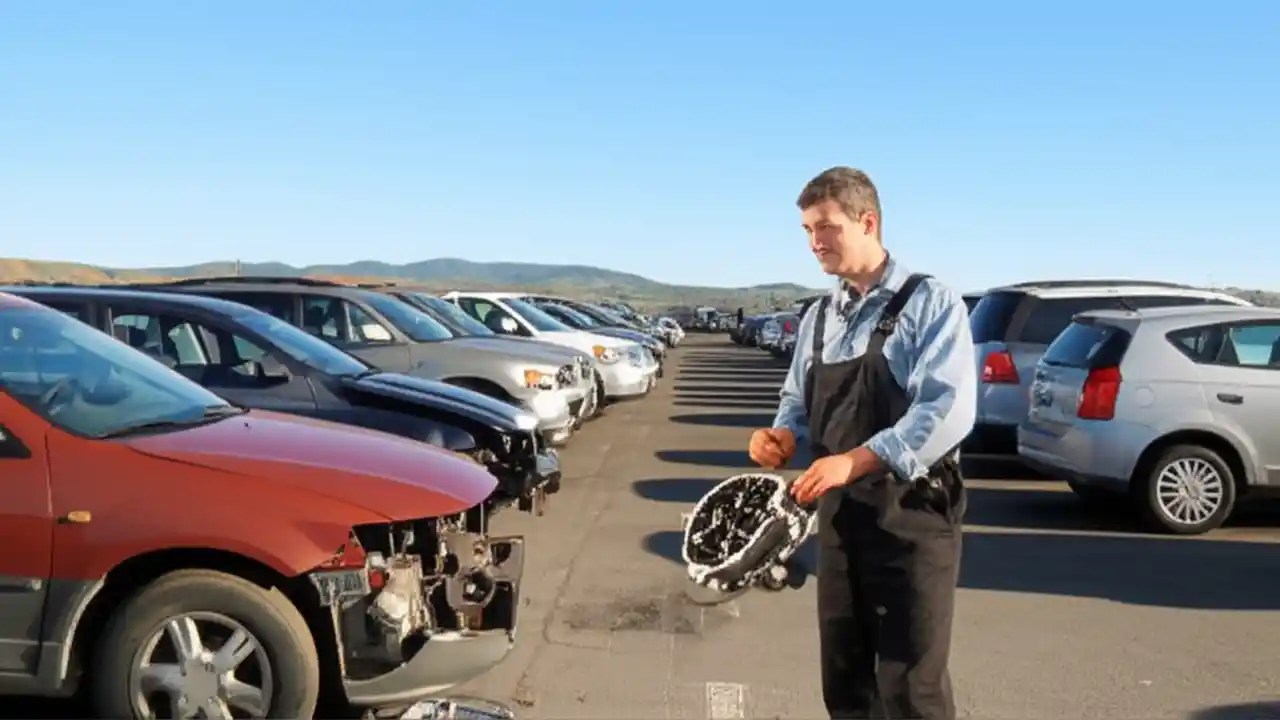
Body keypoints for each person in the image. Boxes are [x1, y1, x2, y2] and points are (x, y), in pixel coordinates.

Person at [748, 166, 976, 720]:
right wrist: (780, 434)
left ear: (867, 221)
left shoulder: (930, 303)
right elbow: (797, 399)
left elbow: (946, 410)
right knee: (846, 681)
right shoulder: (820, 316)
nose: (814, 242)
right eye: (806, 230)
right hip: (842, 518)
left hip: (913, 517)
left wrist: (853, 460)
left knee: (909, 688)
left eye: (825, 227)